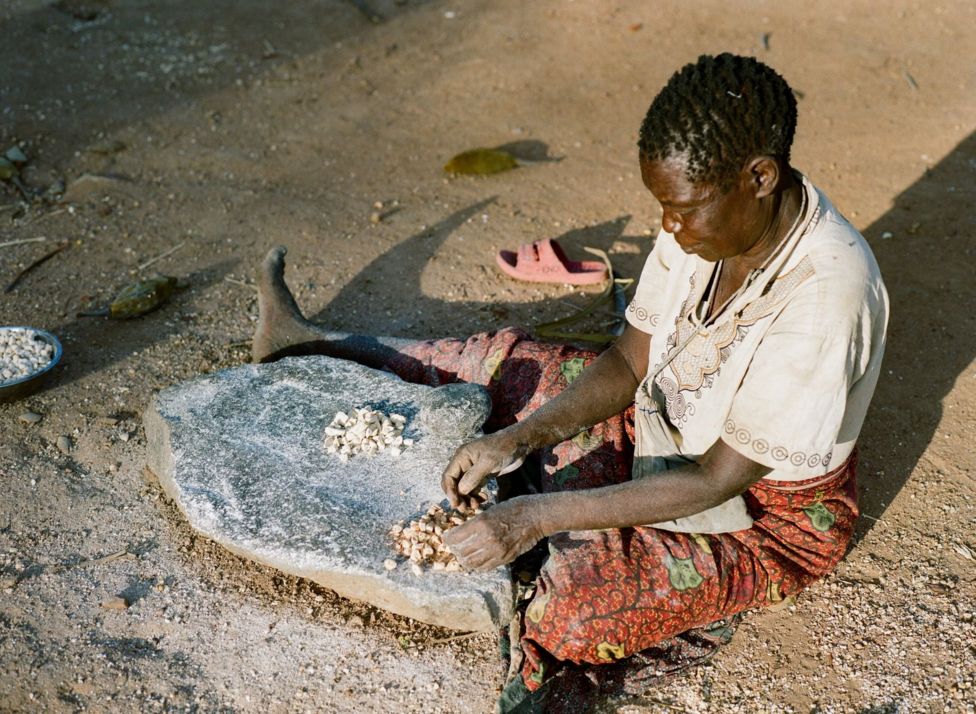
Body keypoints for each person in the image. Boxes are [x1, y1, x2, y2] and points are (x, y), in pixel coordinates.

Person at [252, 53, 888, 708]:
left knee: (575, 611)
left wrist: (532, 515)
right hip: (661, 421)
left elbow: (714, 482)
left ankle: (591, 558)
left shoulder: (826, 295)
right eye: (663, 208)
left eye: (682, 210)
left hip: (760, 514)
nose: (668, 228)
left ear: (759, 176)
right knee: (515, 366)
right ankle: (316, 346)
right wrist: (522, 439)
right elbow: (629, 361)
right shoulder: (707, 221)